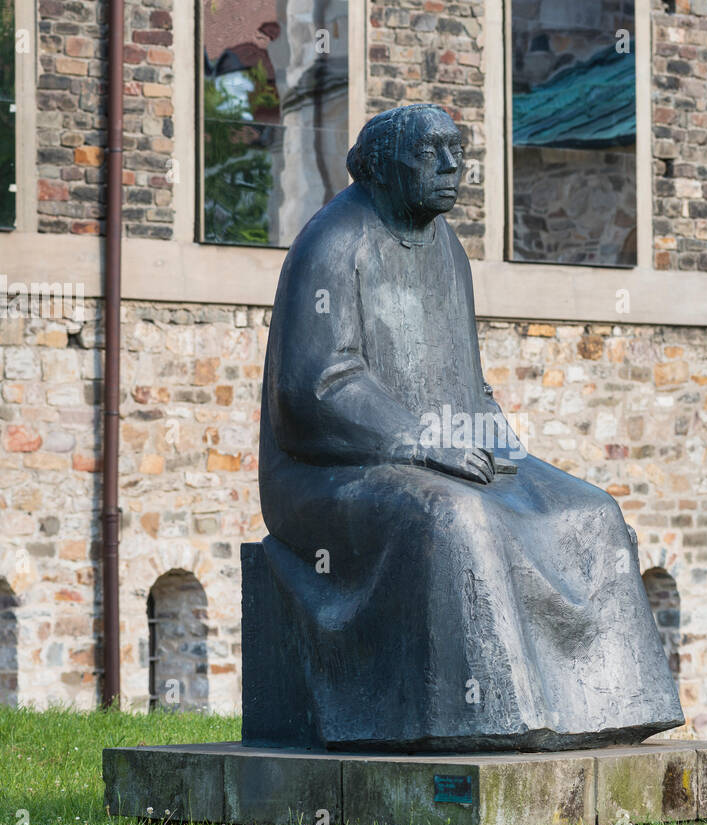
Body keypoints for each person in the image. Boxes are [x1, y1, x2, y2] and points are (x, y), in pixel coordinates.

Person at [249, 104, 683, 752]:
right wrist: (425, 442)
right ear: (383, 164)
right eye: (433, 153)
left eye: (458, 150)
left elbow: (466, 384)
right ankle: (493, 716)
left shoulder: (448, 250)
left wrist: (505, 451)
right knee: (456, 519)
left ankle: (614, 705)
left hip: (446, 447)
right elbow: (312, 392)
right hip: (326, 473)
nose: (454, 167)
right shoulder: (333, 244)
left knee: (593, 513)